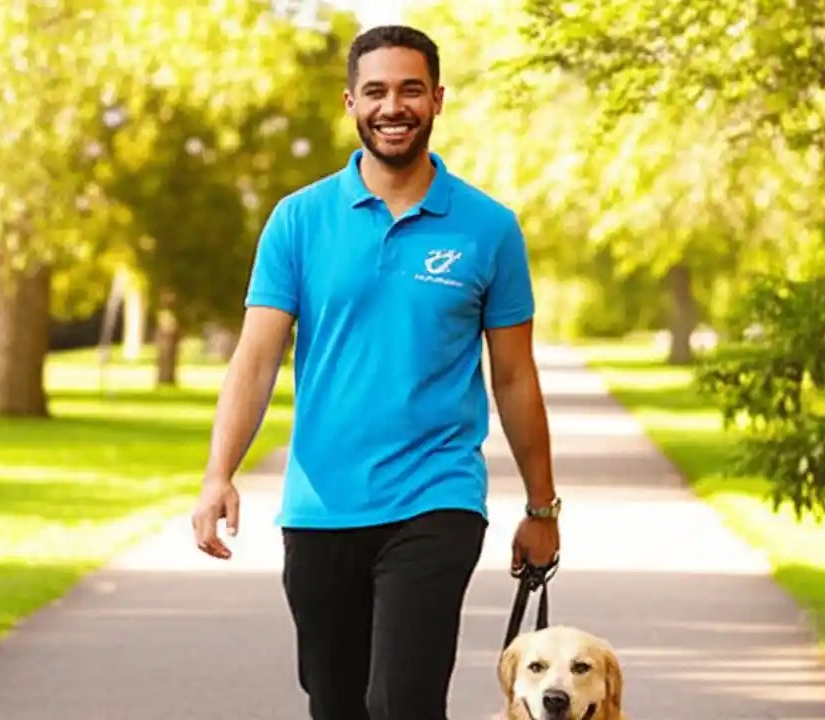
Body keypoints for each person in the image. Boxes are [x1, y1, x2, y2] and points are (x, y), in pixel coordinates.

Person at [191, 23, 561, 720]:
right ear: (350, 103)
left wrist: (542, 508)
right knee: (336, 704)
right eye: (377, 91)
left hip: (437, 498)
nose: (394, 106)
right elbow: (257, 357)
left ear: (438, 100)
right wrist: (219, 473)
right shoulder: (297, 221)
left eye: (411, 90)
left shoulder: (488, 228)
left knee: (404, 702)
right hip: (320, 506)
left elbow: (514, 377)